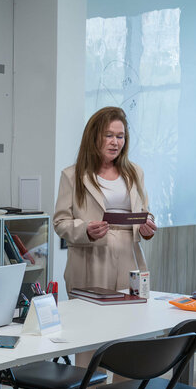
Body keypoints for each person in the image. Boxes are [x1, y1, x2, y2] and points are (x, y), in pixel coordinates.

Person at [53, 106, 156, 294]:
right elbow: (60, 223)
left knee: (131, 316)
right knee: (92, 317)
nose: (115, 142)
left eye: (120, 136)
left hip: (129, 255)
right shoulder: (71, 175)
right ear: (94, 137)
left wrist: (148, 225)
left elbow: (145, 211)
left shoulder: (135, 173)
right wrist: (86, 229)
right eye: (108, 135)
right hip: (91, 257)